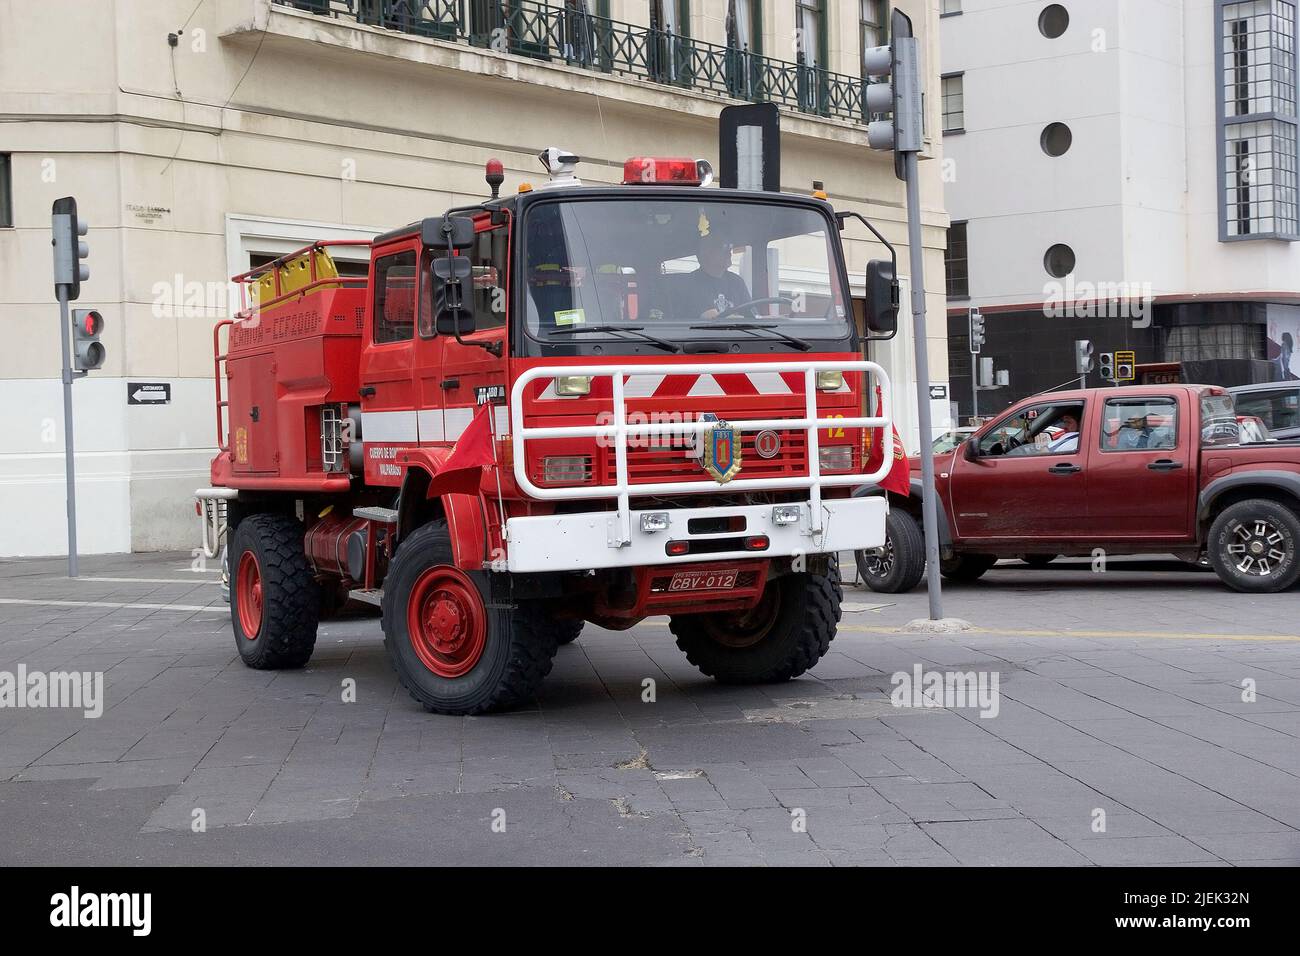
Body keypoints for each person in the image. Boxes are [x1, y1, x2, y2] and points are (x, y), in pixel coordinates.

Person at [680, 231, 752, 319]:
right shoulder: (691, 283)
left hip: (739, 332)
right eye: (723, 247)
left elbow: (751, 315)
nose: (729, 252)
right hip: (708, 332)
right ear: (705, 253)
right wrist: (743, 320)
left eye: (730, 247)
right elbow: (711, 317)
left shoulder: (737, 281)